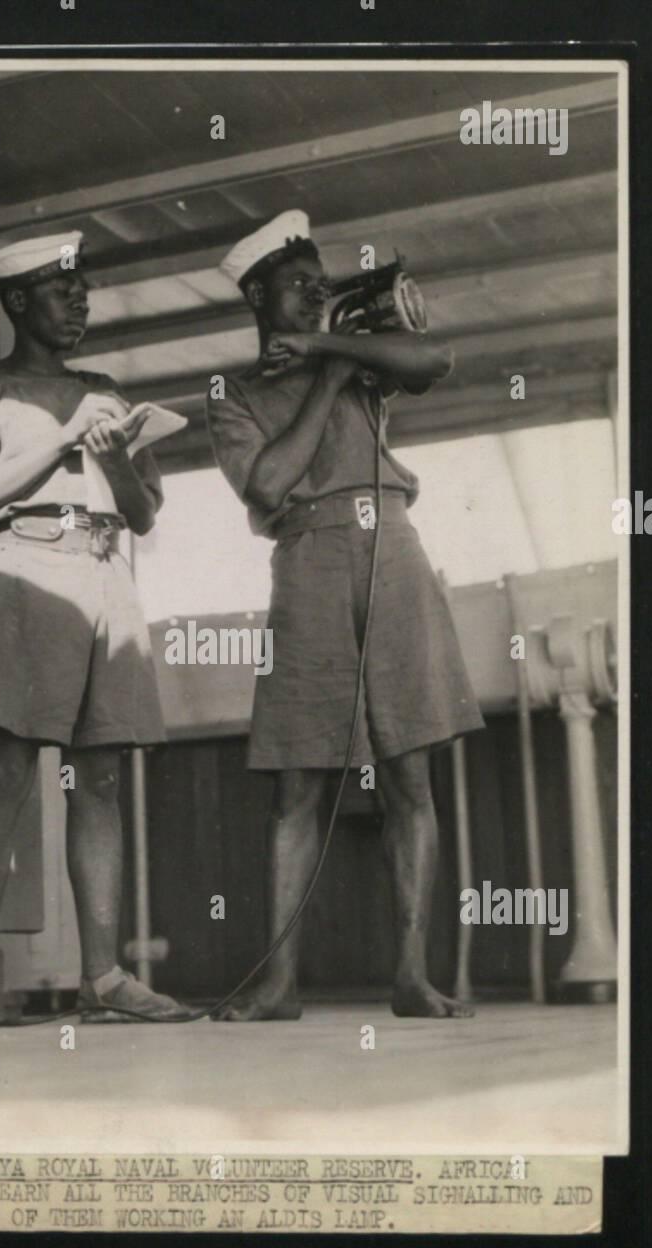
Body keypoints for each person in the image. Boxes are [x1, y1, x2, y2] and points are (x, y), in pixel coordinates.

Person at [205, 210, 485, 1021]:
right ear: (257, 295)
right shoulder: (237, 396)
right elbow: (267, 485)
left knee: (410, 775)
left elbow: (435, 358)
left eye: (321, 284)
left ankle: (411, 976)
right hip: (309, 556)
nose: (317, 293)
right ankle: (280, 980)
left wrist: (329, 348)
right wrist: (327, 378)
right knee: (300, 784)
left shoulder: (358, 362)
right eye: (299, 287)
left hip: (393, 545)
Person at [0, 231, 190, 1025]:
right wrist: (67, 433)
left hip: (108, 568)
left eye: (82, 287)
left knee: (101, 777)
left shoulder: (105, 388)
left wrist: (111, 453)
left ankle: (105, 979)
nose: (79, 299)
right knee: (7, 769)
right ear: (16, 301)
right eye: (59, 288)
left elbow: (144, 512)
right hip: (28, 562)